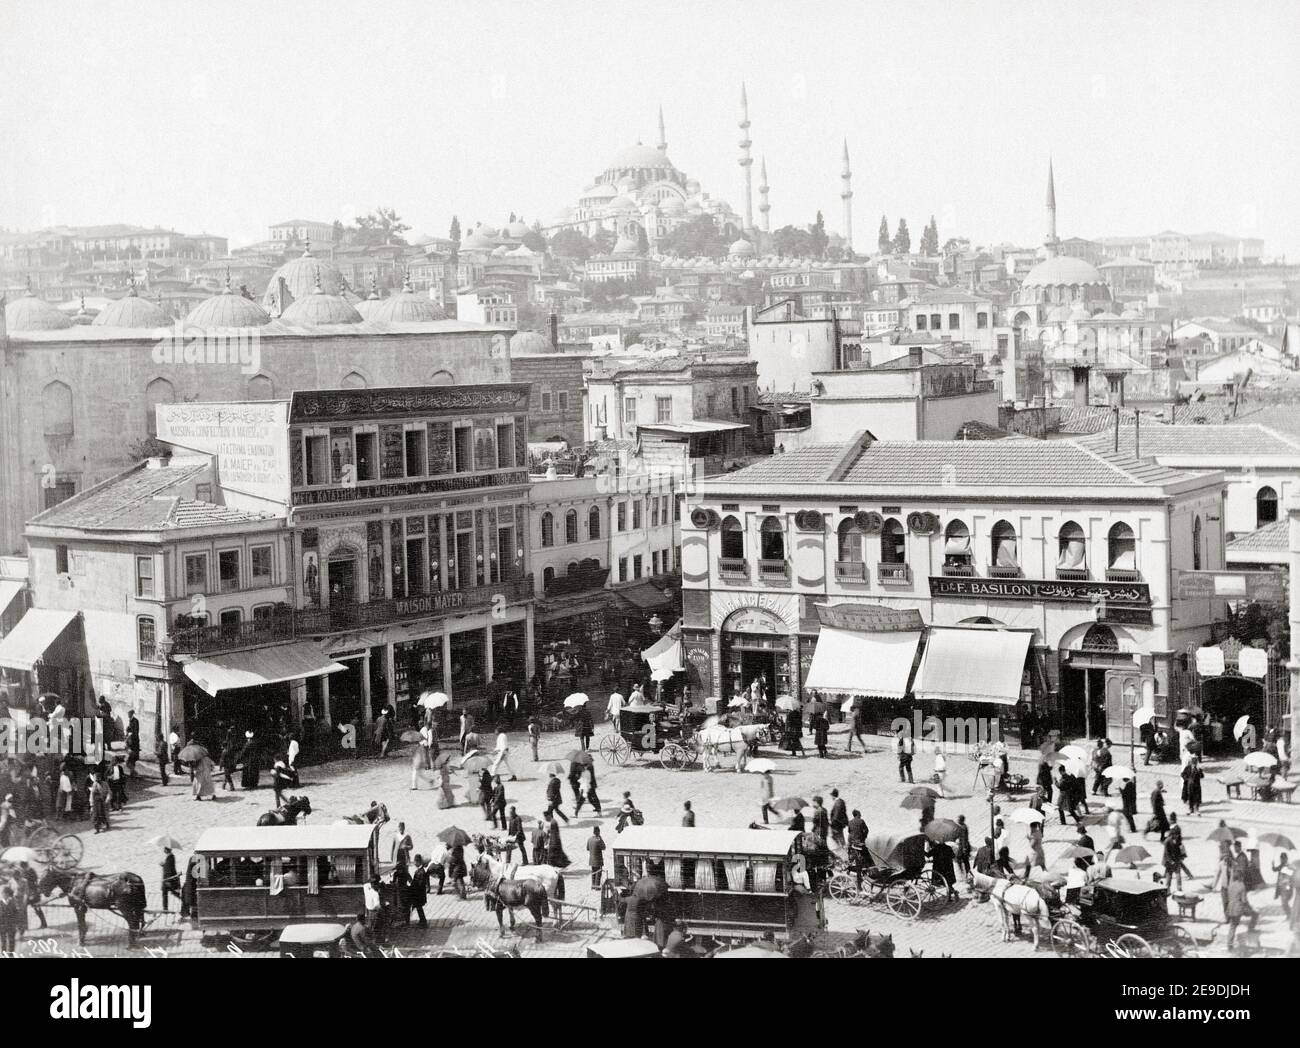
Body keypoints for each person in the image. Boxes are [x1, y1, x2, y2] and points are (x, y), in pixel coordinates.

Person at [1163, 815, 1188, 892]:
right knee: (1169, 876)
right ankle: (1167, 889)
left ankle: (1179, 888)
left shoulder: (1178, 841)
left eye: (1178, 835)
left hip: (1176, 860)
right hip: (1169, 861)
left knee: (1178, 875)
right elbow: (1166, 853)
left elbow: (1181, 849)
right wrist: (1171, 861)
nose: (1177, 836)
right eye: (1176, 834)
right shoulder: (1167, 841)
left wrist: (1183, 855)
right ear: (1173, 834)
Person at [408, 855, 430, 928]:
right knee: (418, 908)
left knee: (419, 907)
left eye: (415, 862)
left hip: (418, 894)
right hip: (419, 893)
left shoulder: (420, 872)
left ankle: (423, 922)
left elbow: (419, 884)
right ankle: (422, 921)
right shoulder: (420, 871)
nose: (414, 864)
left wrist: (412, 888)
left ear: (418, 862)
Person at [160, 846, 181, 911]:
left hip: (168, 880)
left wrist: (167, 880)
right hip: (168, 879)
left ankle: (165, 909)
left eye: (165, 849)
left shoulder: (170, 857)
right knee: (166, 894)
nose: (164, 850)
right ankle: (165, 908)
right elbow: (169, 867)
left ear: (167, 850)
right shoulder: (170, 857)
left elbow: (169, 869)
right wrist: (163, 865)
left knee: (173, 893)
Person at [954, 814, 972, 878]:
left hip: (963, 846)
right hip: (964, 845)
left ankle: (964, 872)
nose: (957, 820)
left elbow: (964, 838)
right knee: (965, 860)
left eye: (958, 819)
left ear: (961, 820)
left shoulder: (962, 828)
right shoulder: (964, 826)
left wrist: (964, 848)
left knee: (960, 858)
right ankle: (967, 872)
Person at [0, 885, 17, 955]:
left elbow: (16, 913)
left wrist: (16, 923)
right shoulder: (0, 902)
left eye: (4, 893)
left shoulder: (12, 902)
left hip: (11, 924)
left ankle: (11, 953)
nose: (3, 894)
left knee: (11, 939)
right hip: (2, 924)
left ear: (7, 894)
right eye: (2, 893)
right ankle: (3, 952)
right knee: (3, 940)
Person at [126, 711, 140, 778]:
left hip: (134, 742)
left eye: (129, 714)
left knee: (131, 760)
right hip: (131, 742)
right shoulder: (130, 721)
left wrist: (131, 735)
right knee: (131, 760)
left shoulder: (135, 721)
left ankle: (133, 772)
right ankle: (132, 772)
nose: (128, 715)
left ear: (131, 714)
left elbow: (136, 731)